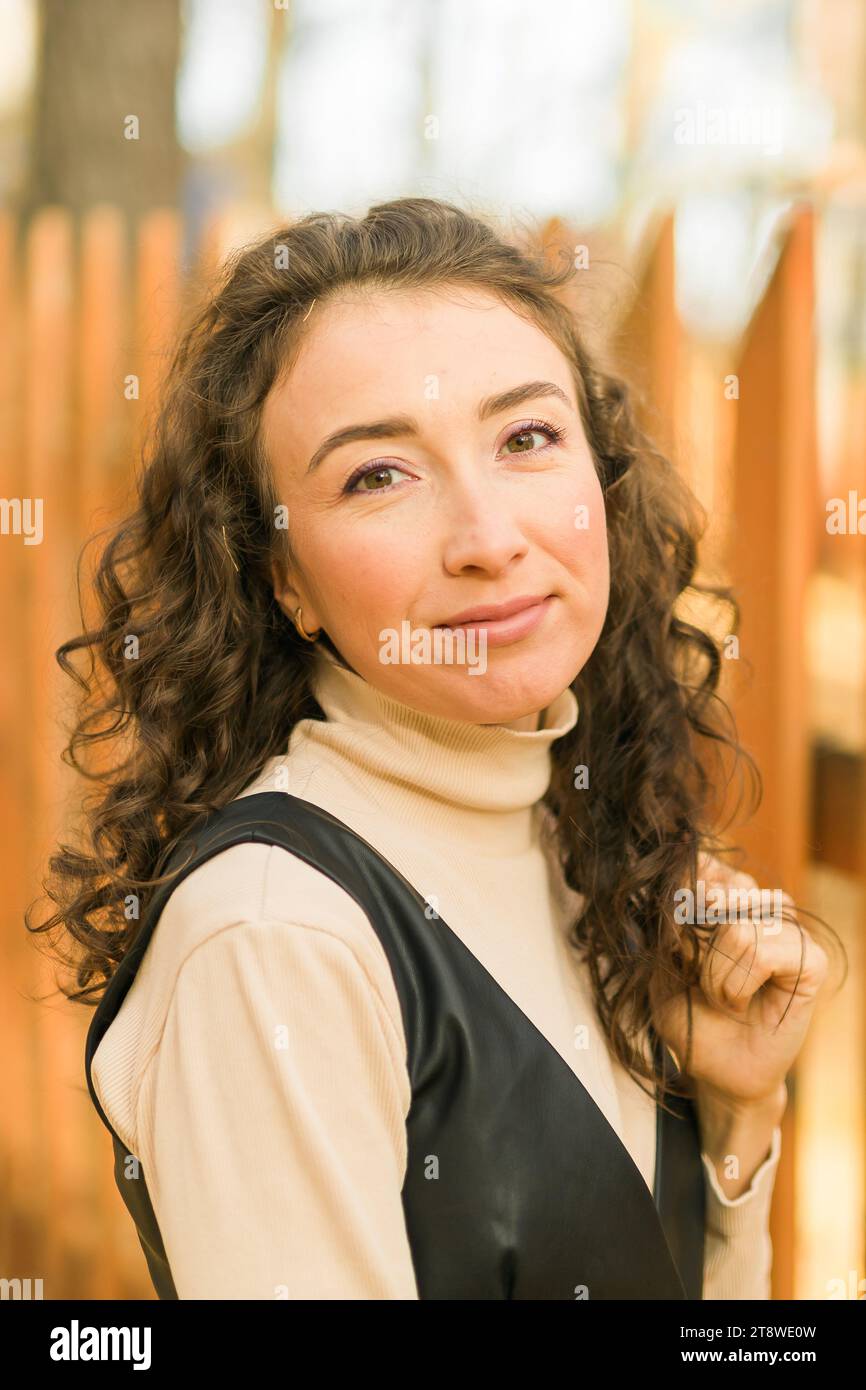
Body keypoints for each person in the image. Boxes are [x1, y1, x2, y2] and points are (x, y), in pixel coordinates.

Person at [30, 197, 834, 1299]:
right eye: (377, 475)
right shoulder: (277, 937)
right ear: (281, 579)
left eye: (525, 438)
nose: (488, 538)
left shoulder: (580, 845)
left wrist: (740, 1114)